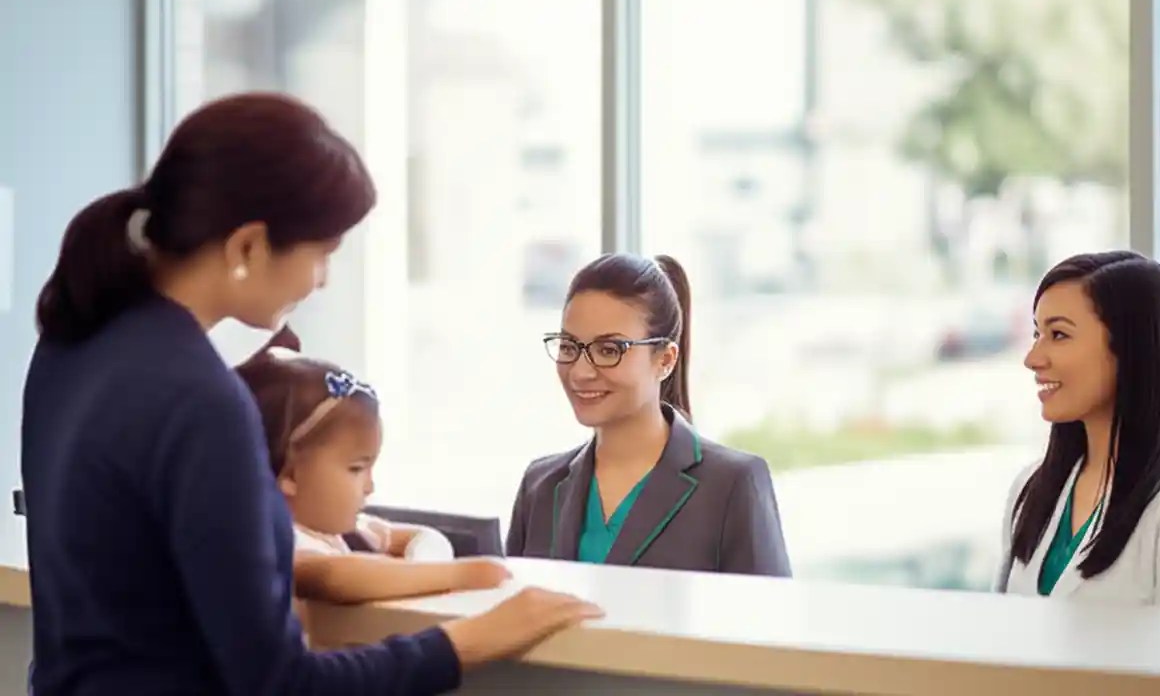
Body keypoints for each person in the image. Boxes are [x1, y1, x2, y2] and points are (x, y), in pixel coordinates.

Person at [21, 92, 599, 696]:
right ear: (248, 246)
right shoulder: (200, 401)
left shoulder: (71, 341)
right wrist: (468, 643)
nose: (321, 280)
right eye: (322, 254)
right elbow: (279, 683)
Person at [994, 251, 1160, 608]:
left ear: (1130, 346)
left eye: (1058, 334)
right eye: (1037, 333)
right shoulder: (1029, 490)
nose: (1033, 358)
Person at [506, 253, 791, 576]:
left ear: (666, 360)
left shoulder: (731, 485)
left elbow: (766, 621)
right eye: (569, 347)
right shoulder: (541, 485)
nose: (581, 371)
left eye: (609, 350)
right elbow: (510, 618)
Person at [234, 327, 510, 607]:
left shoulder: (347, 530)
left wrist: (420, 567)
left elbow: (421, 537)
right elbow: (334, 576)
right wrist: (458, 574)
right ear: (290, 473)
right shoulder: (276, 541)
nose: (370, 487)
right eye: (356, 469)